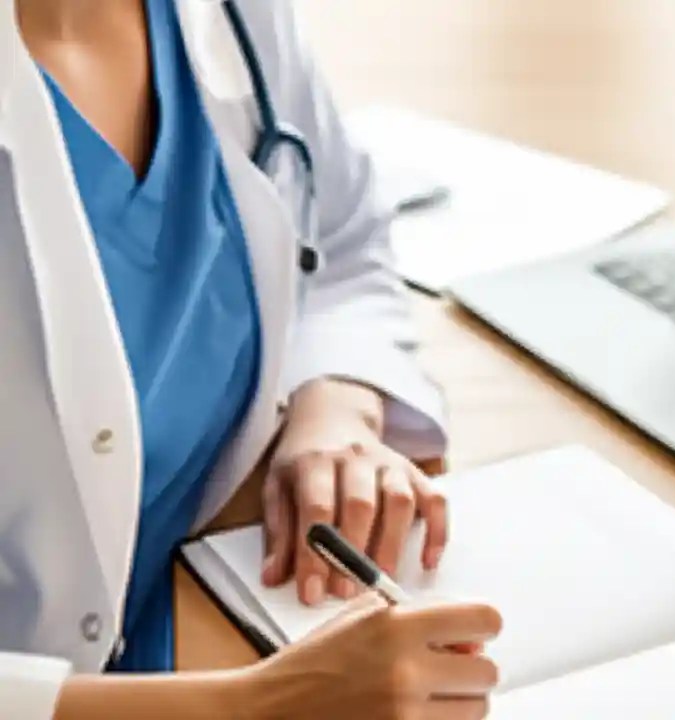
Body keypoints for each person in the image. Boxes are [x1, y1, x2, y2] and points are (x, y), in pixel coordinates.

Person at [0, 0, 501, 718]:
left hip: (208, 602)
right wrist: (251, 707)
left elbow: (343, 239)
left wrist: (334, 406)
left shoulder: (232, 17)